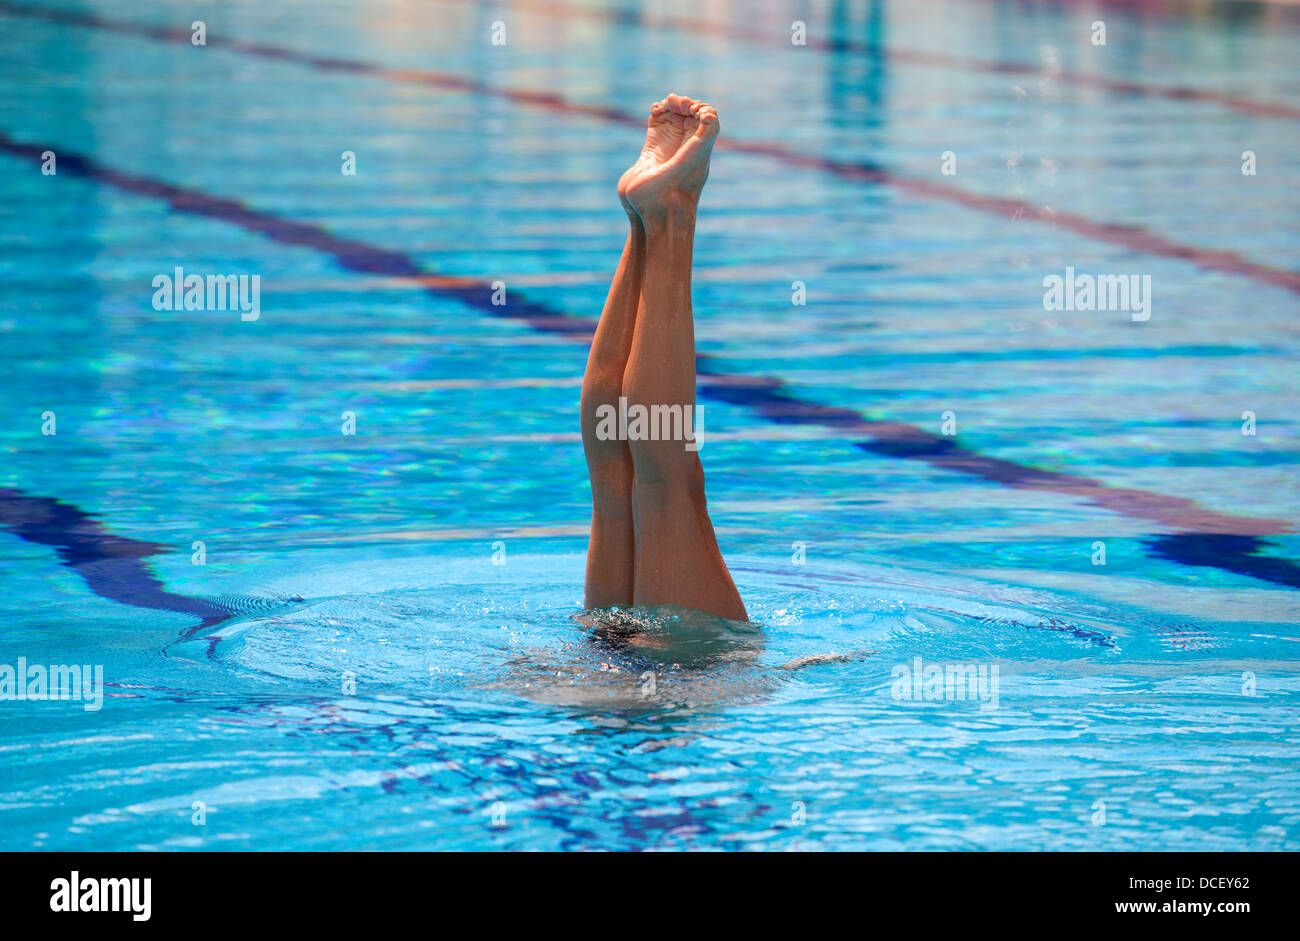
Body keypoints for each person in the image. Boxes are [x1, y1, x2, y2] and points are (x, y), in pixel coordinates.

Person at [579, 94, 747, 623]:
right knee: (618, 480)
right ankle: (648, 220)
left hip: (682, 676)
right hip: (609, 662)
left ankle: (664, 218)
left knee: (661, 485)